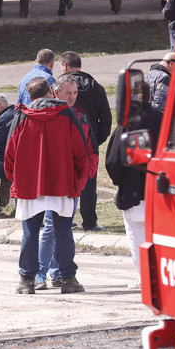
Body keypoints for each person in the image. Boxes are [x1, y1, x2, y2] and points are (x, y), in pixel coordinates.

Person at [5, 76, 94, 295]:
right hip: (61, 182)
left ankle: (27, 280)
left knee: (30, 233)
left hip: (29, 183)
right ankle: (68, 278)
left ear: (30, 96)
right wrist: (79, 178)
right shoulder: (66, 114)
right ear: (51, 92)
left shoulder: (22, 116)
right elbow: (80, 151)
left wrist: (14, 178)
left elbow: (9, 153)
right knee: (63, 232)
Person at [34, 74, 97, 290]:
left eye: (75, 93)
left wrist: (85, 175)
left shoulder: (81, 117)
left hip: (73, 183)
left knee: (62, 228)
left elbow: (91, 150)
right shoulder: (50, 115)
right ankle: (41, 274)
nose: (72, 97)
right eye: (68, 93)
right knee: (51, 227)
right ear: (56, 93)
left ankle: (57, 273)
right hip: (51, 181)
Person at [106, 82, 162, 276]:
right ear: (149, 96)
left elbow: (113, 161)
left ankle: (144, 278)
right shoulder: (164, 119)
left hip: (134, 191)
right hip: (161, 190)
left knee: (137, 237)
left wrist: (120, 181)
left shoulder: (127, 123)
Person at [58, 51, 112, 232]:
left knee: (64, 180)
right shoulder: (96, 87)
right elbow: (106, 119)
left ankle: (65, 219)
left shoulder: (59, 86)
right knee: (89, 181)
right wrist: (95, 140)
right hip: (89, 141)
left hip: (64, 142)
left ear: (64, 66)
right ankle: (89, 222)